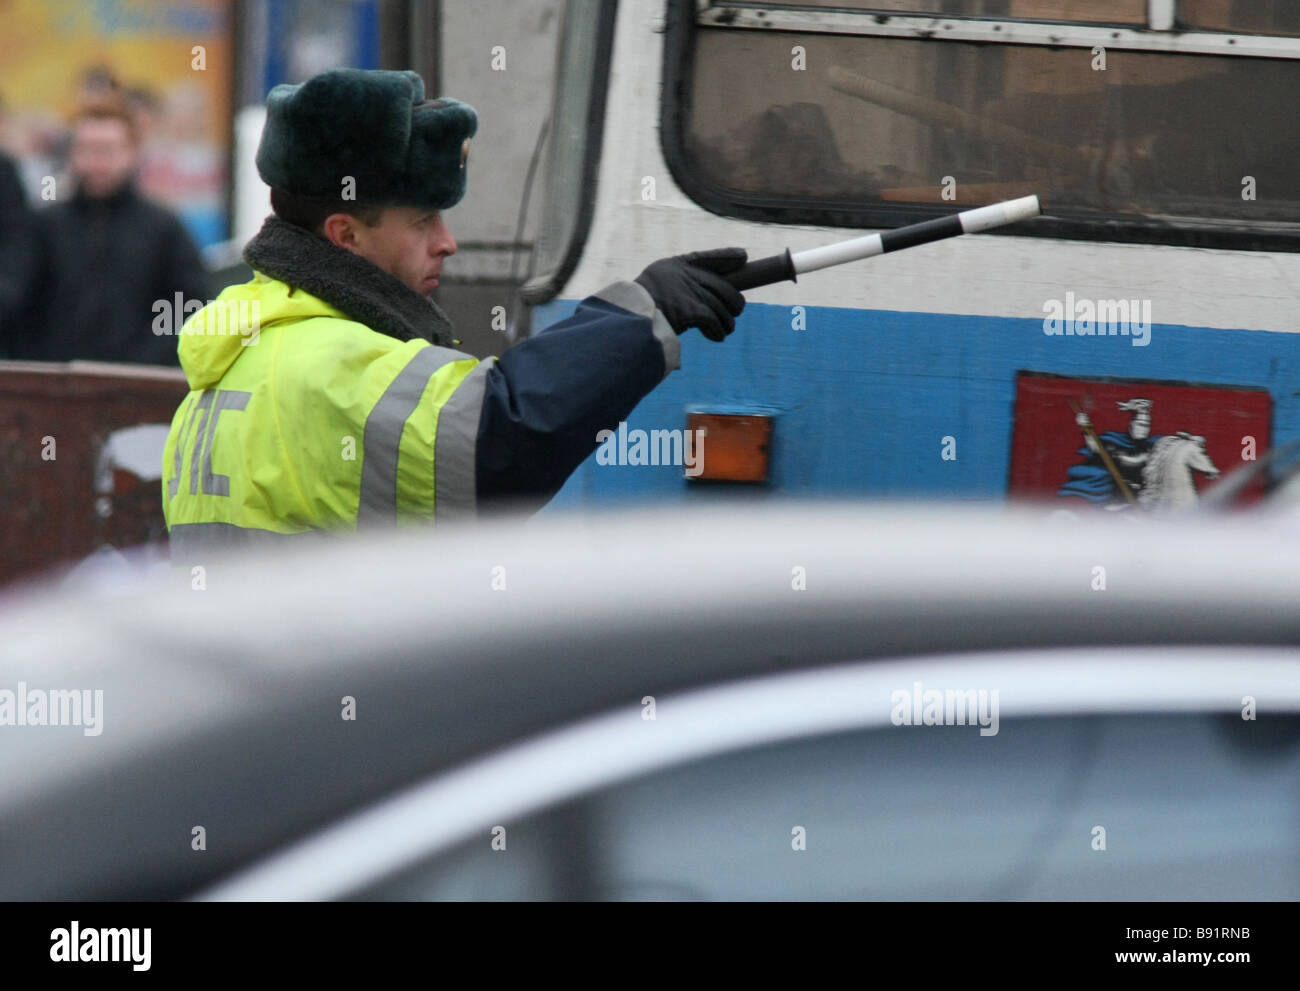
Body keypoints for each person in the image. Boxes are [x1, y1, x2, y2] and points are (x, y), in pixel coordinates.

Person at [162, 68, 747, 561]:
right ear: (345, 234)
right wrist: (642, 314)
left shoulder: (235, 357)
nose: (448, 242)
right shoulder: (328, 364)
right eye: (422, 222)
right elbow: (500, 436)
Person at [6, 91, 211, 365]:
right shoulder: (44, 226)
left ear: (132, 153)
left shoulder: (163, 228)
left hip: (140, 391)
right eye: (88, 149)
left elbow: (190, 308)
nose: (97, 162)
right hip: (51, 391)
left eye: (108, 150)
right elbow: (17, 301)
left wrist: (149, 363)